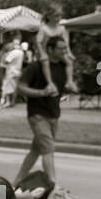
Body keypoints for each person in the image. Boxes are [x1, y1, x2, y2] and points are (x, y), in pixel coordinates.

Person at [15, 36, 69, 187]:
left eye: (65, 48)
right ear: (50, 49)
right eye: (61, 48)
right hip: (37, 114)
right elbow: (20, 87)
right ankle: (53, 186)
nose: (64, 51)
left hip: (53, 114)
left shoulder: (63, 67)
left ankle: (17, 182)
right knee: (48, 149)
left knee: (36, 150)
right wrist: (41, 93)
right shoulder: (36, 67)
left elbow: (62, 89)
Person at [34, 7, 77, 95]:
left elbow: (65, 43)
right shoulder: (44, 28)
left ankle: (69, 81)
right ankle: (50, 83)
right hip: (45, 51)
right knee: (45, 62)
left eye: (60, 16)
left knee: (69, 61)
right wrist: (42, 53)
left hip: (56, 52)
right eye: (56, 16)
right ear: (49, 17)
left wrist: (69, 52)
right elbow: (38, 42)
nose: (59, 18)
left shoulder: (61, 28)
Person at [0, 35, 24, 108]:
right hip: (18, 71)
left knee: (7, 86)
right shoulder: (21, 52)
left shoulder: (13, 52)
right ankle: (12, 101)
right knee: (15, 87)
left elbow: (6, 61)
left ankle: (7, 102)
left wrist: (2, 64)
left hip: (11, 71)